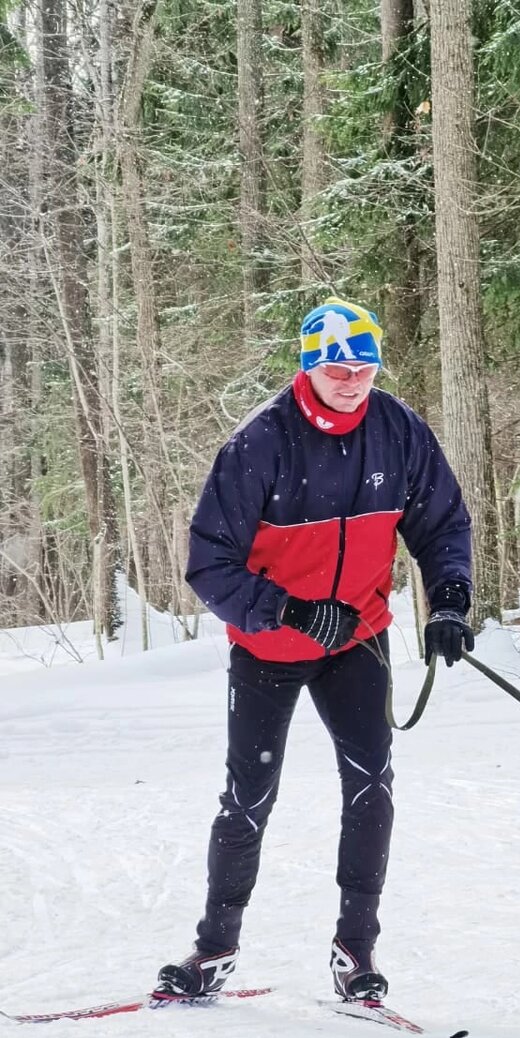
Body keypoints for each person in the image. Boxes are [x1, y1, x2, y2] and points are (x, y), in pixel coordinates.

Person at [157, 297, 474, 1002]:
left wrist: (449, 599)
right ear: (309, 364)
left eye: (363, 364)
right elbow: (210, 562)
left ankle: (355, 952)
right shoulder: (260, 442)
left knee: (370, 787)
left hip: (357, 641)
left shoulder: (398, 431)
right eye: (336, 365)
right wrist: (289, 610)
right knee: (248, 799)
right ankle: (214, 950)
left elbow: (442, 522)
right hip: (269, 646)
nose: (351, 377)